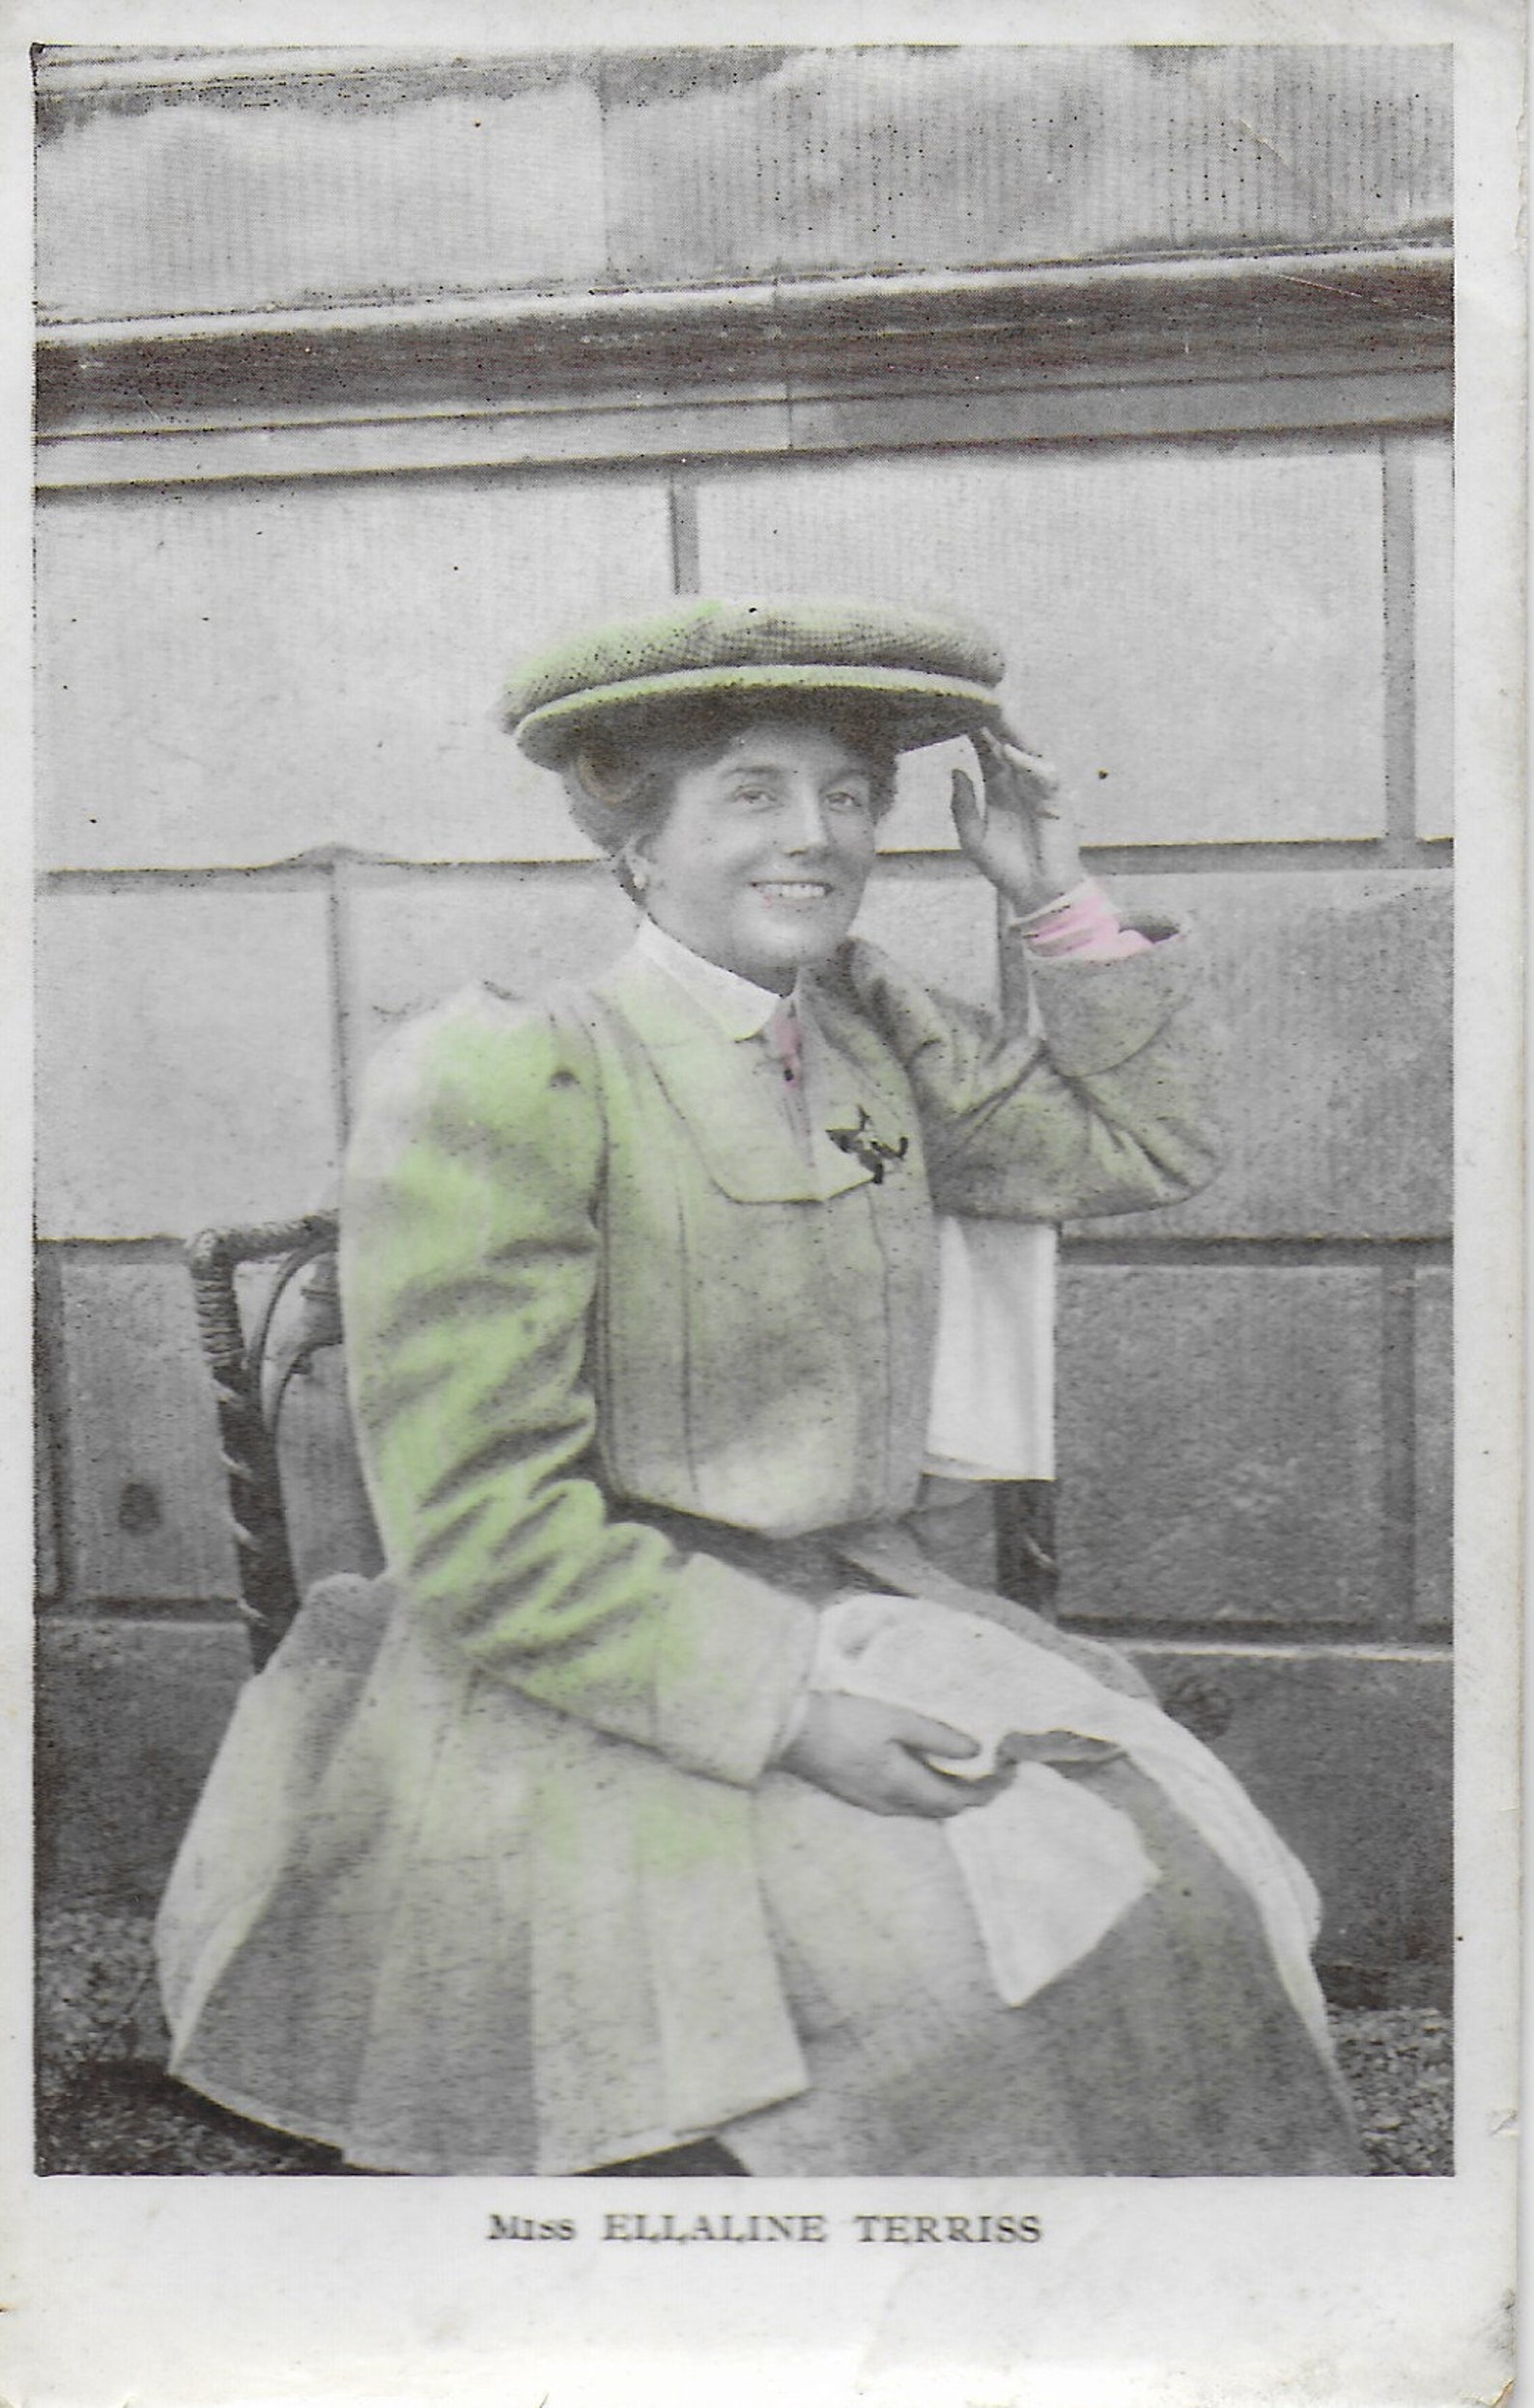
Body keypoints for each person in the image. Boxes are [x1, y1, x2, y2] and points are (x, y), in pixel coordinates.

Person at [156, 598, 1361, 2176]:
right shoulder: (518, 1072)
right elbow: (481, 1526)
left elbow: (1147, 1145)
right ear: (632, 833)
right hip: (581, 1670)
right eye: (751, 793)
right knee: (945, 1989)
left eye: (848, 796)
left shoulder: (869, 1031)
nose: (817, 840)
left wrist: (1052, 895)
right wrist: (792, 1711)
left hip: (850, 1598)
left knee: (1165, 1873)